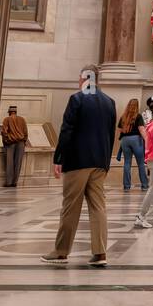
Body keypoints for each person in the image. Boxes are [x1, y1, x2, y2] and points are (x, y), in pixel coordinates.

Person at [42, 65, 116, 266]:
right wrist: (105, 163)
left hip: (77, 162)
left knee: (70, 207)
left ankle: (61, 251)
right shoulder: (109, 102)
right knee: (98, 206)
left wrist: (59, 158)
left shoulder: (77, 99)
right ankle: (100, 252)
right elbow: (111, 136)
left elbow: (67, 131)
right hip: (99, 163)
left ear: (83, 78)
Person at [117, 98, 148, 192]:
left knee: (127, 162)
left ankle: (126, 186)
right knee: (141, 163)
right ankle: (144, 185)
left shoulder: (123, 116)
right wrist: (147, 141)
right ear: (137, 106)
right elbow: (141, 130)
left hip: (124, 140)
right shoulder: (138, 116)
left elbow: (119, 130)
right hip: (136, 140)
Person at [0, 104, 28, 187]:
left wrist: (5, 141)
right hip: (21, 143)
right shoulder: (22, 119)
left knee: (9, 163)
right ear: (16, 112)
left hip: (10, 143)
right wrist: (24, 141)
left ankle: (8, 182)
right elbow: (26, 132)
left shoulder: (7, 119)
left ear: (9, 112)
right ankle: (14, 182)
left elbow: (4, 132)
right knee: (18, 163)